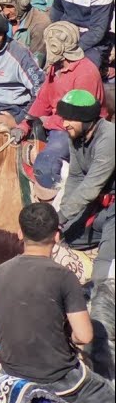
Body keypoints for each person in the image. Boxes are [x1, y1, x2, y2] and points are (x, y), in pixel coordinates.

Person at [0, 203, 115, 403]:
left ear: (20, 233)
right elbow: (85, 335)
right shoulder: (64, 277)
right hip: (59, 381)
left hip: (9, 374)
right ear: (57, 236)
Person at [18, 22, 105, 188]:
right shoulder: (56, 68)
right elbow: (43, 98)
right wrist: (24, 124)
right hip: (55, 123)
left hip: (75, 131)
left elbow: (80, 120)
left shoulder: (85, 74)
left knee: (45, 166)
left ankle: (61, 205)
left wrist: (48, 122)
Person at [55, 90, 115, 280]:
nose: (64, 124)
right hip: (100, 206)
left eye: (70, 119)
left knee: (103, 270)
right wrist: (61, 222)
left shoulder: (109, 138)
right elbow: (75, 177)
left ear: (87, 119)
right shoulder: (76, 136)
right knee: (65, 239)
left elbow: (91, 185)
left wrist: (59, 217)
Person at [0, 0, 49, 64]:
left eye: (9, 6)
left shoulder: (40, 24)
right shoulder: (1, 17)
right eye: (2, 7)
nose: (5, 12)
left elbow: (35, 63)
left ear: (23, 3)